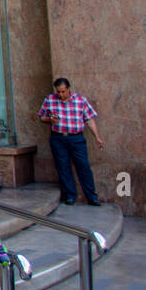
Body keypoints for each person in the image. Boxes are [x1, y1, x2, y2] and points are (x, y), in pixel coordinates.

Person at [38, 78, 104, 206]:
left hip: (76, 138)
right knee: (63, 166)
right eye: (58, 92)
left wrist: (97, 137)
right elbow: (41, 117)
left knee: (83, 166)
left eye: (63, 91)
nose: (61, 95)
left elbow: (89, 119)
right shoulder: (50, 100)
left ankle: (92, 196)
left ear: (68, 89)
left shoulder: (80, 100)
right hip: (58, 137)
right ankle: (70, 195)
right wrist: (50, 119)